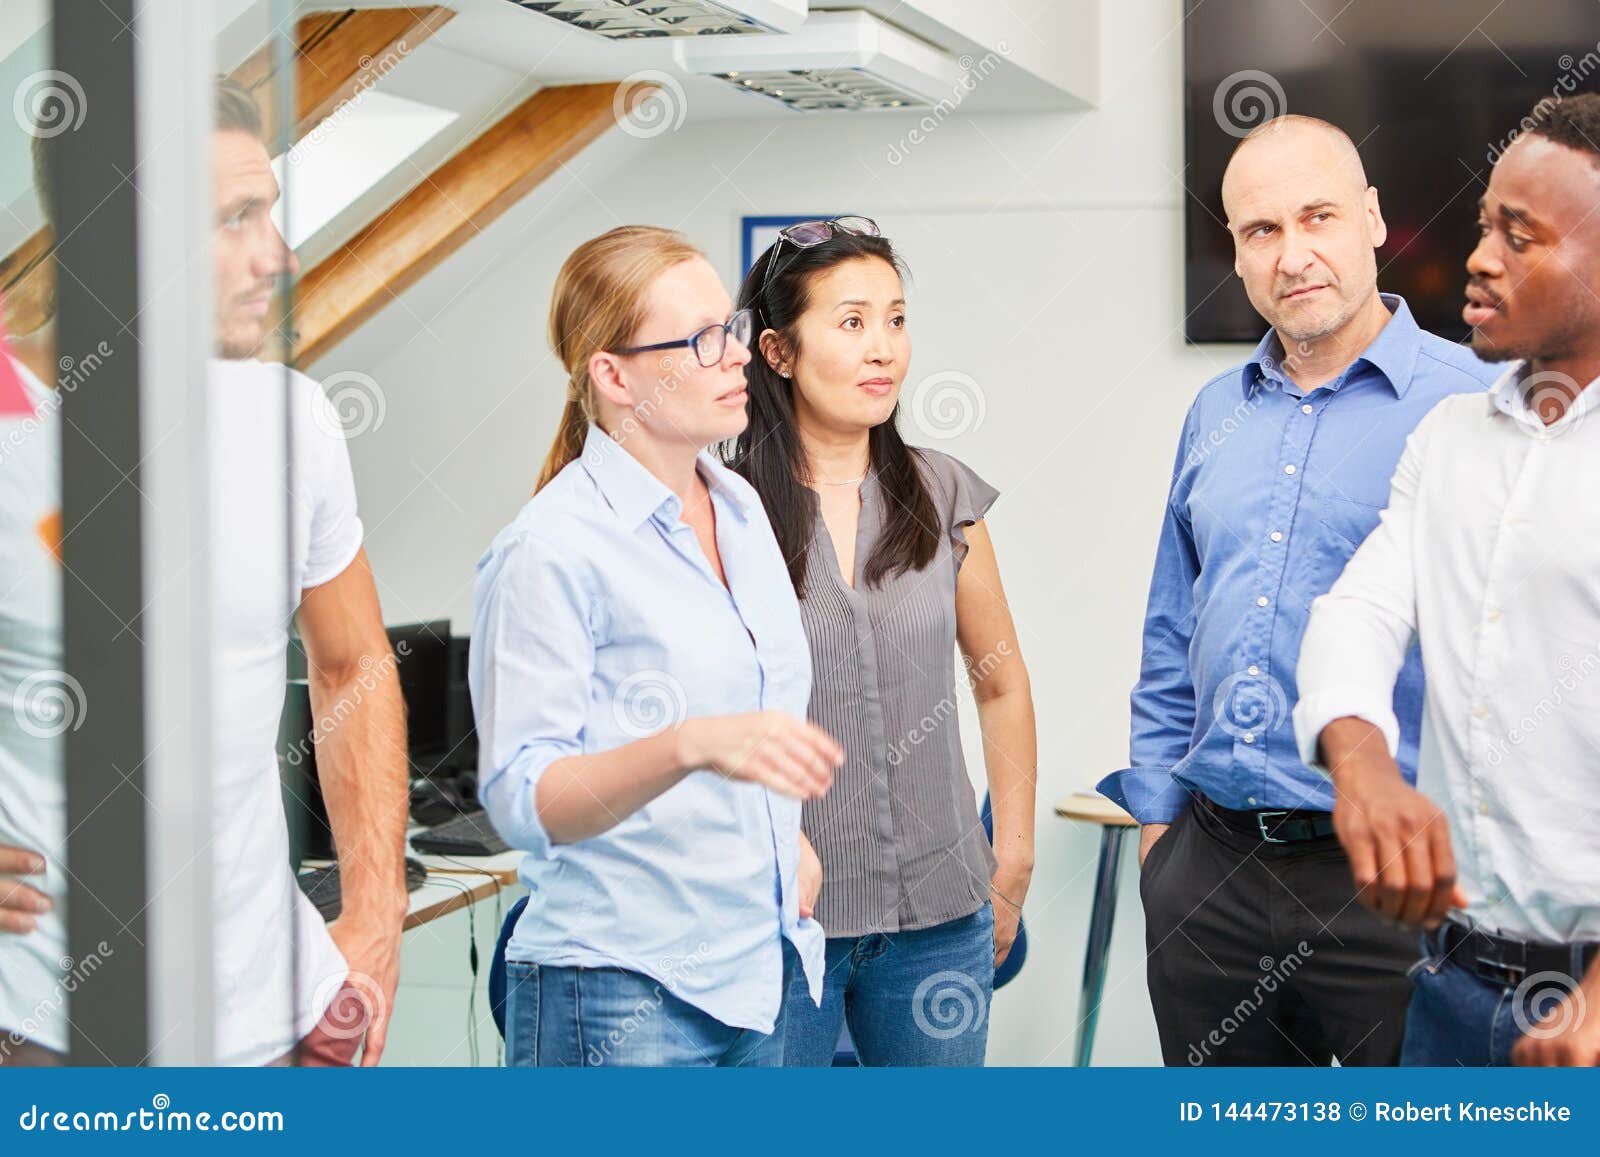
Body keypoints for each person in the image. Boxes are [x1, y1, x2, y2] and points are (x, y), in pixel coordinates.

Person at [0, 78, 409, 1066]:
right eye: (234, 220)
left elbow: (353, 663)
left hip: (281, 1021)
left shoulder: (291, 417)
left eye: (267, 212)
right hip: (50, 1032)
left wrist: (375, 917)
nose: (279, 256)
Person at [1098, 116, 1499, 1066]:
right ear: (1236, 253)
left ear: (1371, 220)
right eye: (1260, 231)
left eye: (1316, 217)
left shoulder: (1478, 405)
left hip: (1397, 884)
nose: (1293, 254)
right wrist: (1161, 831)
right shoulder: (1214, 411)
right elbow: (1172, 625)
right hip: (1212, 876)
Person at [472, 225, 843, 1067]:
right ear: (613, 375)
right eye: (704, 340)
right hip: (614, 988)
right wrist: (688, 744)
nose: (738, 356)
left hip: (757, 969)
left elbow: (755, 729)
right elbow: (523, 801)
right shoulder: (553, 548)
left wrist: (783, 840)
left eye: (735, 329)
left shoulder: (742, 509)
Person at [1295, 94, 1600, 1068]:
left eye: (1521, 237)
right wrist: (1364, 766)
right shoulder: (1449, 437)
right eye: (1483, 226)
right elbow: (1360, 610)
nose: (1478, 258)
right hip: (1449, 988)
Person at [730, 218, 1036, 1067]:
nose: (884, 350)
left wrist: (1009, 854)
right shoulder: (722, 508)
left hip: (941, 917)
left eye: (896, 320)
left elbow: (1001, 683)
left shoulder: (942, 491)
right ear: (779, 352)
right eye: (852, 321)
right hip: (779, 922)